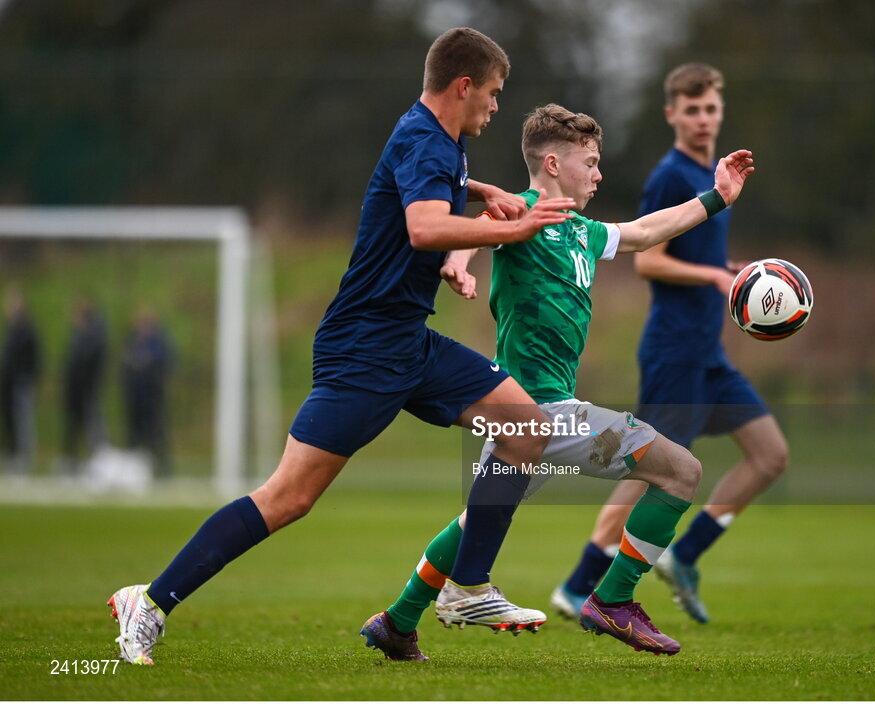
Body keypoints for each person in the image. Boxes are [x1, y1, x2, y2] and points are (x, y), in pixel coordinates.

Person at [107, 27, 580, 666]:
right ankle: (151, 600)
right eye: (493, 95)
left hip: (408, 342)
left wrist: (482, 190)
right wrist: (514, 224)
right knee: (288, 497)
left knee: (527, 427)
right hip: (364, 348)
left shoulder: (438, 140)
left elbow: (423, 188)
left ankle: (467, 586)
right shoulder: (425, 140)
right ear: (463, 87)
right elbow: (420, 227)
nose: (496, 108)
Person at [363, 104, 754, 659]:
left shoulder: (583, 232)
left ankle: (398, 622)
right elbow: (477, 229)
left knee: (477, 523)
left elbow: (643, 232)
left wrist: (716, 198)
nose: (599, 175)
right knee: (682, 471)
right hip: (539, 410)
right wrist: (459, 261)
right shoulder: (520, 211)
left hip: (534, 415)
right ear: (552, 163)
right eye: (590, 163)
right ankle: (612, 600)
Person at [551, 63, 789, 626]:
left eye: (712, 109)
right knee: (653, 469)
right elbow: (649, 260)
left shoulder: (715, 172)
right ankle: (580, 584)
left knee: (770, 454)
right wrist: (712, 278)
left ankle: (684, 553)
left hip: (709, 353)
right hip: (674, 351)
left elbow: (698, 258)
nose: (704, 119)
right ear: (672, 114)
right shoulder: (671, 175)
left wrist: (729, 272)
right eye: (693, 109)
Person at [121, 309, 173, 478]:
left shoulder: (158, 343)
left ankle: (162, 468)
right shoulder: (132, 342)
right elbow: (125, 366)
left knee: (156, 433)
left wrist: (148, 363)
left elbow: (166, 361)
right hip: (135, 396)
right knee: (134, 433)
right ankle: (133, 469)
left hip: (152, 397)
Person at [62, 297, 107, 470]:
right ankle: (72, 458)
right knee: (75, 425)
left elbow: (88, 365)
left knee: (94, 425)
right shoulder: (79, 337)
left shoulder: (94, 337)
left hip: (89, 389)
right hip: (77, 391)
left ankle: (99, 460)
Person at [1, 287, 41, 475]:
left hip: (22, 382)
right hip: (8, 384)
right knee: (12, 420)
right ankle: (13, 454)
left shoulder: (27, 330)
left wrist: (30, 378)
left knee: (24, 419)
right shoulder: (11, 330)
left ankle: (26, 457)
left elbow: (34, 358)